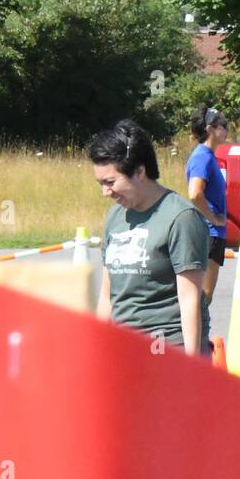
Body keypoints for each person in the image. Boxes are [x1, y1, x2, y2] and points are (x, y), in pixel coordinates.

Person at [89, 119, 211, 354]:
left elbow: (189, 299)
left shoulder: (181, 217)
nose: (105, 192)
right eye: (101, 184)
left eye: (110, 182)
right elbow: (107, 295)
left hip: (167, 350)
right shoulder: (115, 216)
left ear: (139, 172)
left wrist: (191, 367)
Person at [185, 107, 229, 316]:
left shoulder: (208, 156)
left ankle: (194, 341)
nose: (227, 131)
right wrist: (213, 218)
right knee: (203, 294)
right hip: (208, 233)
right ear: (211, 129)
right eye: (224, 126)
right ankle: (190, 342)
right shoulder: (202, 157)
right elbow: (195, 194)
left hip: (213, 232)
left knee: (204, 296)